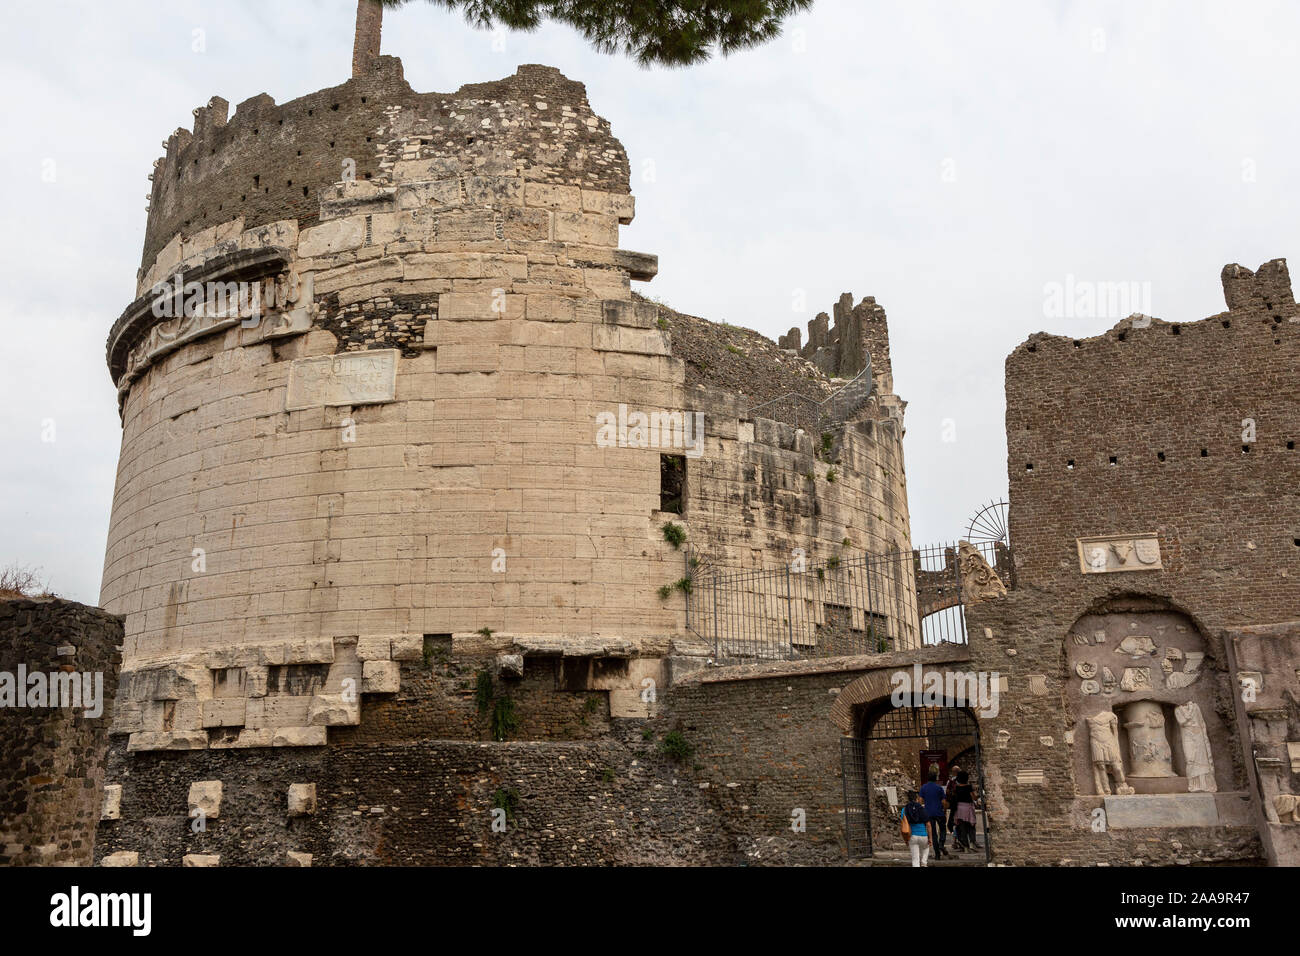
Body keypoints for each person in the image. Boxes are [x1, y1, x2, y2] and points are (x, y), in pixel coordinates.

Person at [919, 765, 948, 859]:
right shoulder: (939, 788)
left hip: (928, 813)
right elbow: (944, 802)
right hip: (939, 812)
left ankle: (937, 855)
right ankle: (941, 844)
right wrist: (944, 811)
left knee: (933, 834)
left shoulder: (923, 788)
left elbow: (920, 801)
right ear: (936, 778)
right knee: (943, 830)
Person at [952, 769, 982, 851]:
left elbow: (954, 798)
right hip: (968, 808)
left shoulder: (956, 788)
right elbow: (974, 797)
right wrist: (977, 796)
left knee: (962, 828)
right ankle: (972, 842)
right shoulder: (969, 787)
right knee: (971, 826)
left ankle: (965, 846)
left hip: (959, 809)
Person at [900, 789, 931, 867]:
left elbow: (903, 826)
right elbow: (928, 824)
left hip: (912, 836)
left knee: (915, 859)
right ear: (916, 798)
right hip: (923, 835)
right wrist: (930, 838)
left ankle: (920, 863)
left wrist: (906, 839)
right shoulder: (921, 808)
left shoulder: (904, 810)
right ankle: (924, 862)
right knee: (926, 848)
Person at [945, 763, 962, 847]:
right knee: (958, 823)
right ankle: (957, 841)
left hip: (955, 805)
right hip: (962, 805)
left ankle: (956, 841)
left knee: (954, 823)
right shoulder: (963, 781)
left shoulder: (952, 782)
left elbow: (947, 792)